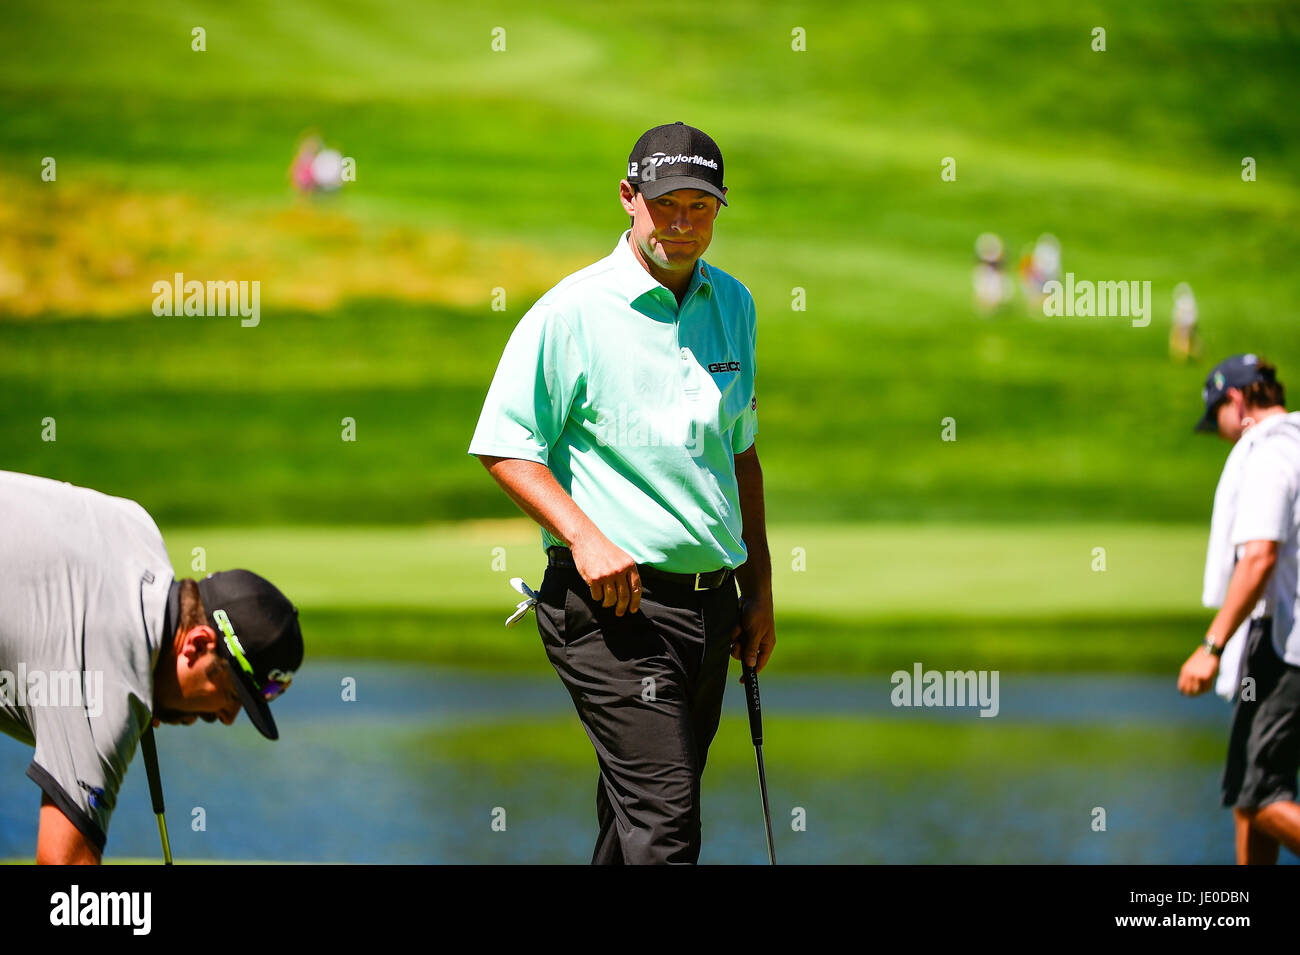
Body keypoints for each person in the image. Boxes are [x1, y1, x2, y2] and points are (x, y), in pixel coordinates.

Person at [468, 121, 775, 864]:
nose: (682, 222)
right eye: (666, 204)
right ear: (629, 198)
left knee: (634, 823)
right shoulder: (571, 311)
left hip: (712, 607)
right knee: (666, 825)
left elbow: (742, 453)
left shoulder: (734, 304)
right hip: (614, 609)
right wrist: (585, 535)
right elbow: (506, 445)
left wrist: (758, 585)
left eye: (700, 206)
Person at [0, 470, 304, 864]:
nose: (228, 717)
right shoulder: (113, 684)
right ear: (196, 645)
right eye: (232, 695)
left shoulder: (138, 527)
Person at [1177, 355, 1300, 863]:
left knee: (1261, 793)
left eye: (1218, 420)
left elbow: (1258, 557)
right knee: (1250, 794)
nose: (1223, 435)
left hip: (1284, 644)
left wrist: (1212, 645)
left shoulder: (1269, 452)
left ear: (1235, 400)